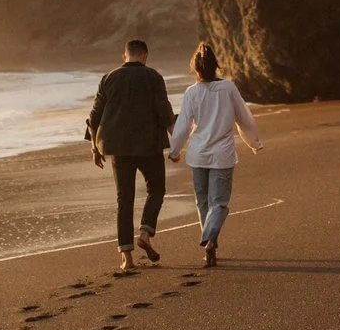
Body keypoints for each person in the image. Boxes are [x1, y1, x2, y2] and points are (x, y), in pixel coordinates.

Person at [168, 40, 260, 267]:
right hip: (222, 154)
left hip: (198, 155)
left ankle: (210, 243)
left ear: (195, 69)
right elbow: (244, 118)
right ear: (215, 66)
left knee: (203, 203)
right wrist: (254, 142)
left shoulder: (192, 92)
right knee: (218, 203)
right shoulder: (228, 88)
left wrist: (174, 150)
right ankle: (209, 240)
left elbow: (183, 126)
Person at [86, 38, 175, 273]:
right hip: (149, 145)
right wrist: (175, 140)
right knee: (156, 189)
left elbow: (94, 116)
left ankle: (127, 258)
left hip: (118, 147)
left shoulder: (109, 78)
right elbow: (164, 110)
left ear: (124, 55)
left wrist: (94, 148)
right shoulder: (153, 76)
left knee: (124, 199)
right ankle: (145, 233)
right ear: (144, 55)